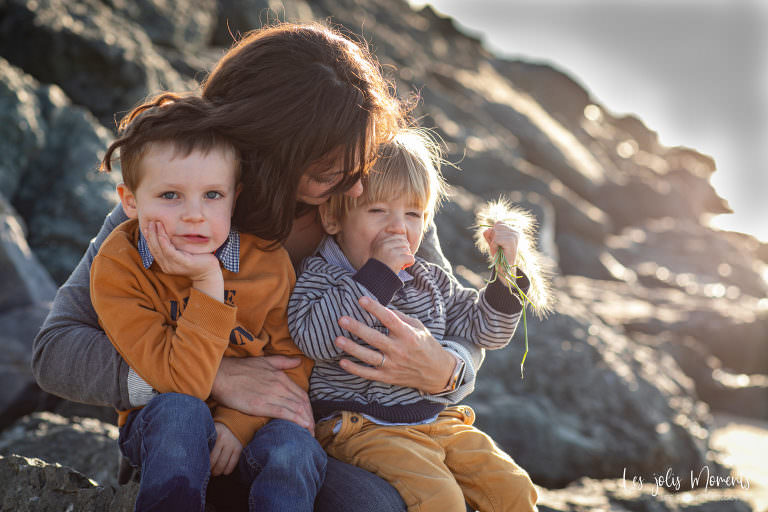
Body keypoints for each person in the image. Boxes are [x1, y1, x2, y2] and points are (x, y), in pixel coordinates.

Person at [32, 22, 483, 511]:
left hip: (324, 436)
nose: (356, 187)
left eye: (360, 163)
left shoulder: (374, 201)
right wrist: (211, 375)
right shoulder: (178, 204)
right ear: (270, 156)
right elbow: (55, 351)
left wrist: (446, 370)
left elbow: (457, 320)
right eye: (330, 172)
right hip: (186, 431)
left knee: (375, 503)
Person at [91, 95, 326, 510]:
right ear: (130, 201)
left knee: (294, 447)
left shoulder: (267, 262)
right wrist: (206, 281)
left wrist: (237, 426)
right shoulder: (120, 266)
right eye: (170, 195)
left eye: (213, 195)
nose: (194, 215)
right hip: (164, 423)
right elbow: (181, 383)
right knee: (181, 413)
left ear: (235, 197)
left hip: (253, 427)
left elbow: (291, 363)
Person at [287, 128, 539, 511]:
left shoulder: (428, 277)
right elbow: (312, 337)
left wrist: (506, 278)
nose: (397, 227)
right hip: (362, 426)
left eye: (413, 214)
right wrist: (378, 275)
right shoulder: (323, 273)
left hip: (436, 420)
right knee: (440, 499)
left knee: (513, 487)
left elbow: (484, 330)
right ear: (333, 217)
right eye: (378, 211)